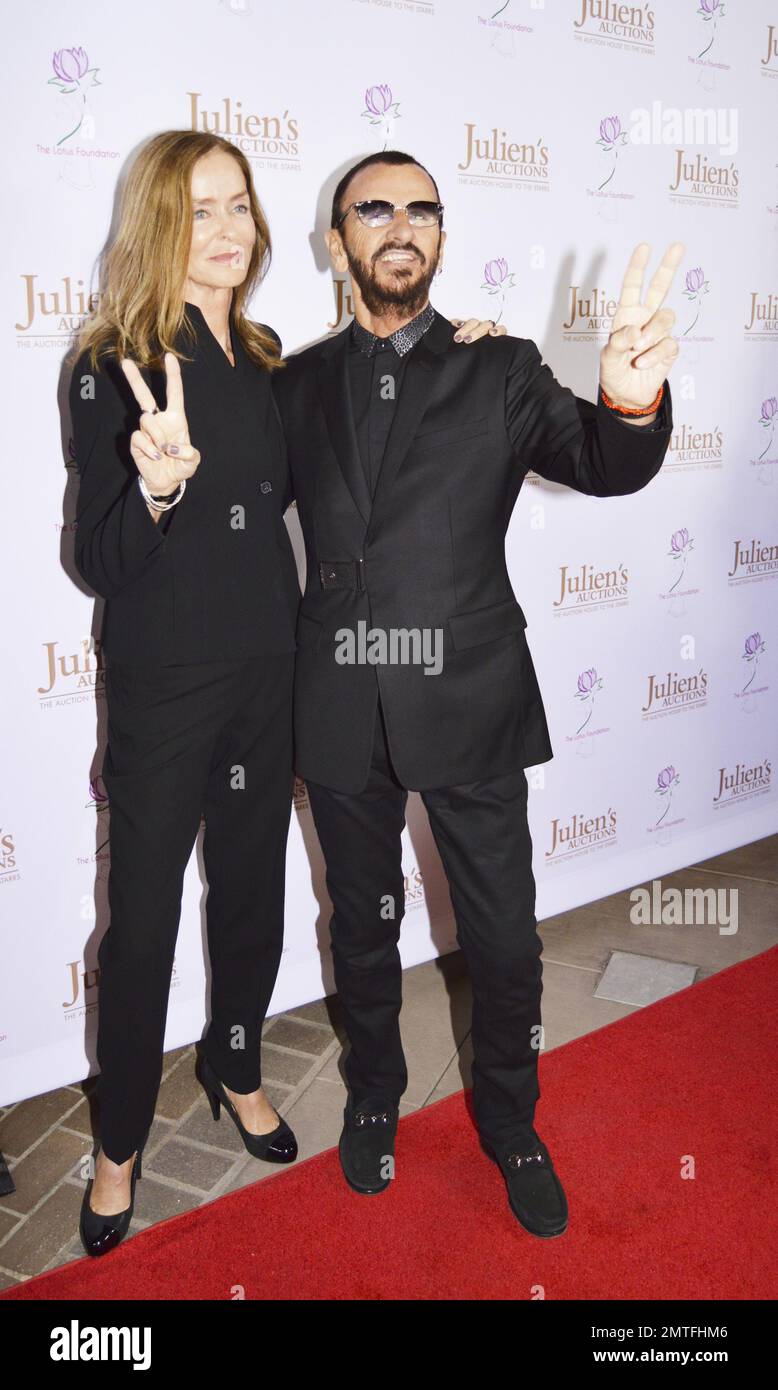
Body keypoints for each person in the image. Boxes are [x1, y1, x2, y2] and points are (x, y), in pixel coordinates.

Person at [69, 130, 499, 1257]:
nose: (227, 230)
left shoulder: (269, 363)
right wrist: (156, 490)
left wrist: (460, 352)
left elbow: (369, 446)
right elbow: (98, 560)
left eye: (239, 206)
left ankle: (237, 1064)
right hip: (166, 685)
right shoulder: (111, 361)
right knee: (145, 920)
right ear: (159, 223)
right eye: (199, 209)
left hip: (274, 673)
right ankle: (119, 1144)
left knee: (253, 893)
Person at [272, 149, 682, 1238]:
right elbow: (240, 528)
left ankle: (510, 1119)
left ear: (442, 239)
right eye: (373, 208)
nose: (400, 224)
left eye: (423, 209)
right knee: (361, 924)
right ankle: (374, 1094)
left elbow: (602, 459)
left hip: (469, 696)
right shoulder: (294, 387)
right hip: (340, 703)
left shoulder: (499, 368)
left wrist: (630, 398)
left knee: (502, 939)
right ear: (338, 244)